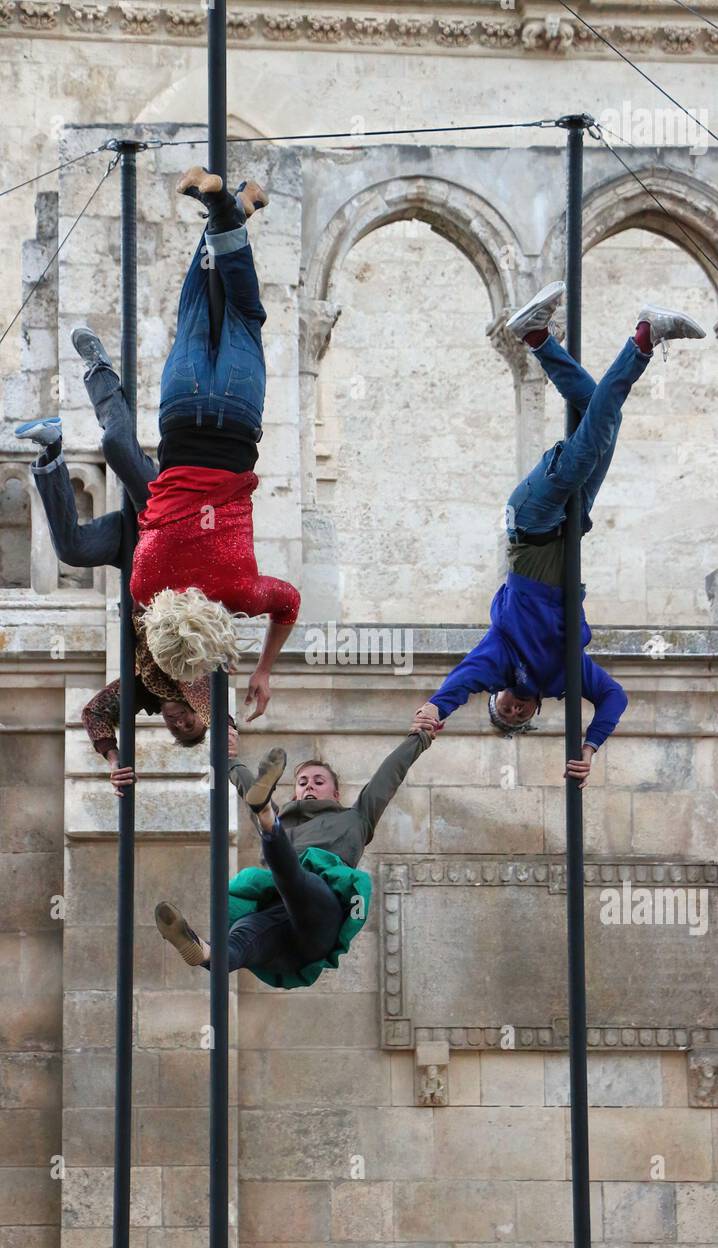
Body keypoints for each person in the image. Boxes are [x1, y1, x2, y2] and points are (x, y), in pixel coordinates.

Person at [15, 167, 300, 700]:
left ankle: (235, 207)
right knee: (194, 307)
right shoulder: (146, 583)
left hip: (238, 417)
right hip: (182, 413)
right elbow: (152, 546)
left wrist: (263, 668)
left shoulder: (239, 593)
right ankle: (226, 208)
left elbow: (288, 602)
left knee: (243, 314)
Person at [413, 282, 706, 788]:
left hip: (532, 523)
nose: (514, 707)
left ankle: (643, 337)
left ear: (497, 695)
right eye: (519, 716)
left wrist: (434, 710)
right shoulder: (563, 678)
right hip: (570, 524)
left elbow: (461, 682)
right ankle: (538, 337)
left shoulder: (501, 658)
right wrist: (590, 744)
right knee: (600, 415)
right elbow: (615, 696)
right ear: (533, 713)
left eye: (503, 709)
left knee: (595, 434)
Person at [153, 720, 436, 988]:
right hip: (283, 927)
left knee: (295, 876)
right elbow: (244, 787)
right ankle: (202, 951)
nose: (309, 785)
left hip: (320, 909)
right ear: (295, 794)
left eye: (318, 781)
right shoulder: (287, 822)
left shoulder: (357, 817)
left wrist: (420, 738)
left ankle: (265, 819)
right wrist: (229, 758)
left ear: (336, 794)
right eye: (302, 782)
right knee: (243, 937)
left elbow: (388, 776)